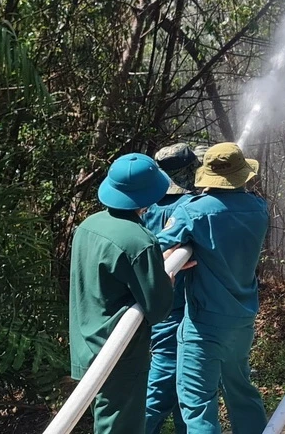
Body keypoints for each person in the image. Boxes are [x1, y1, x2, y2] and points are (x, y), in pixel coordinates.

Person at [155, 142, 269, 434]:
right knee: (241, 392)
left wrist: (172, 259)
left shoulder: (195, 212)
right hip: (242, 320)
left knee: (197, 405)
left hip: (204, 325)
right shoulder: (258, 208)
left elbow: (156, 248)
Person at [68, 153, 176, 434]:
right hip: (119, 353)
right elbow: (158, 308)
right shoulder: (139, 241)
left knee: (103, 420)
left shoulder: (88, 225)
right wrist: (167, 277)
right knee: (120, 427)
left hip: (85, 344)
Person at [142, 143, 200, 434]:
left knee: (182, 388)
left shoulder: (147, 205)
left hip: (157, 304)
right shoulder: (189, 207)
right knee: (165, 382)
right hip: (178, 307)